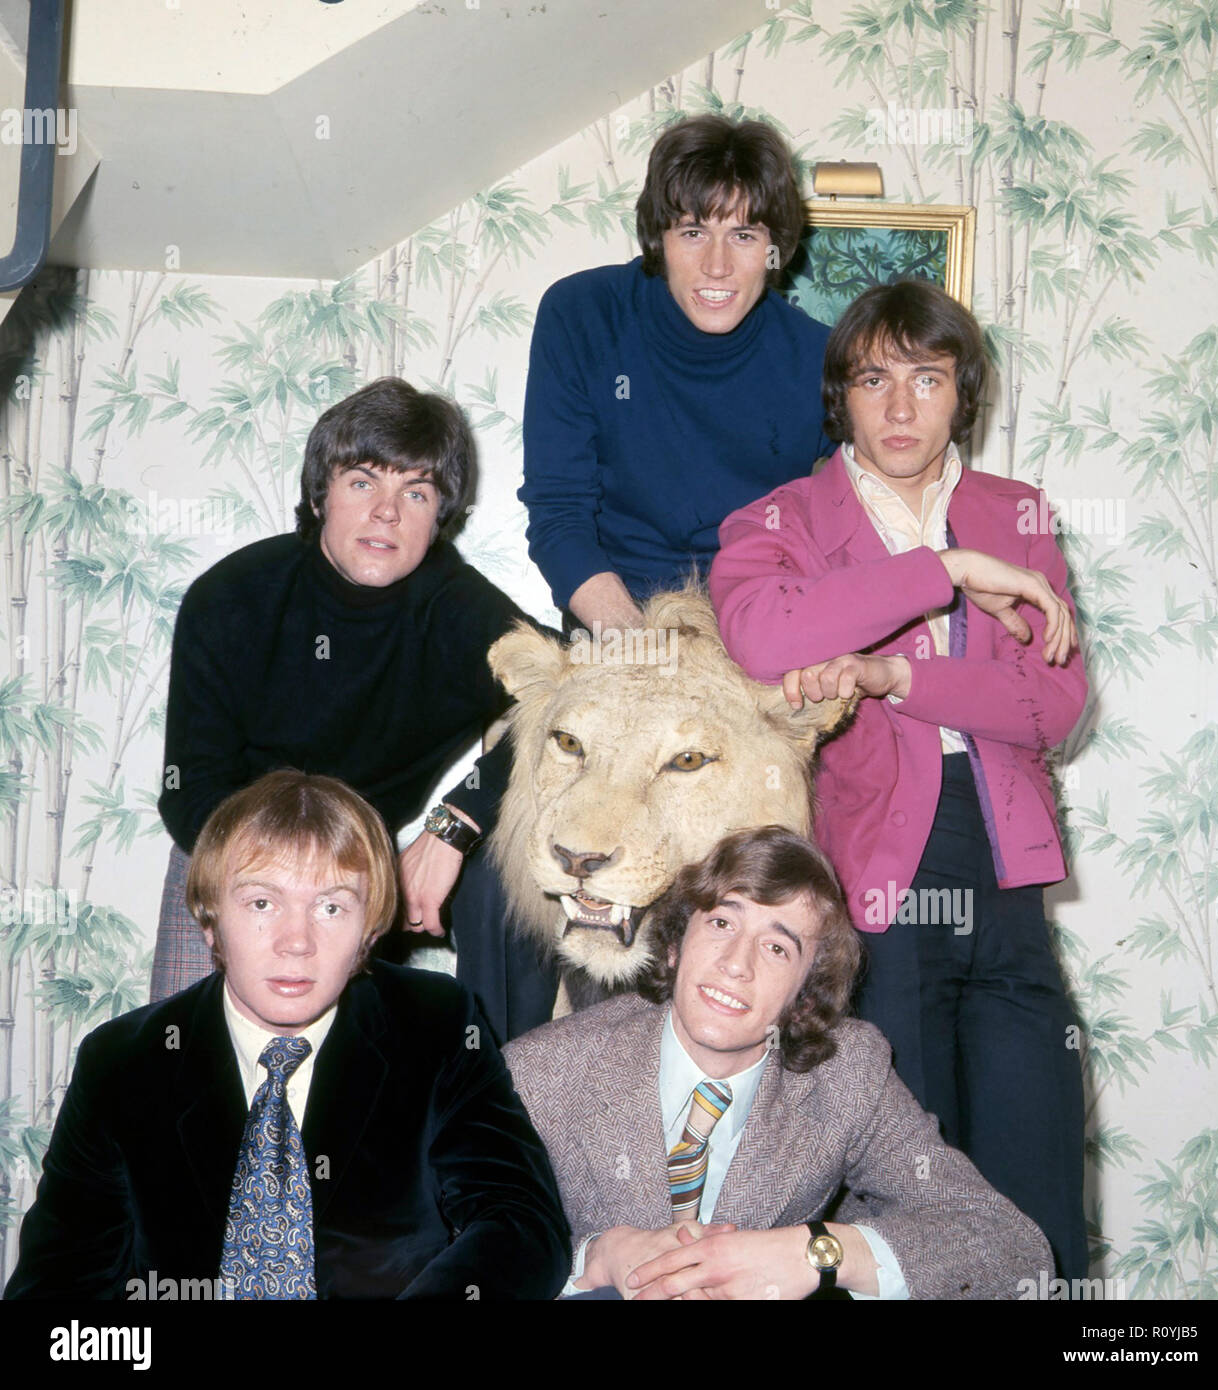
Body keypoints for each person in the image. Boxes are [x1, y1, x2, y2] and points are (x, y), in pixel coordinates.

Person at [708, 279, 1088, 1280]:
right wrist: (947, 570)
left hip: (1009, 873)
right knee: (909, 1193)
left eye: (929, 377)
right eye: (877, 379)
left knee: (1037, 1185)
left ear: (964, 391)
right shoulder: (782, 519)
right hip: (871, 881)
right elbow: (763, 638)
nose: (904, 405)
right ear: (844, 394)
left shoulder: (1021, 512)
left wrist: (897, 675)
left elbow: (1051, 706)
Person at [6, 771, 570, 1300]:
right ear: (209, 918)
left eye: (330, 906)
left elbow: (521, 1224)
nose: (295, 941)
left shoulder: (436, 1024)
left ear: (371, 928)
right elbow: (57, 1290)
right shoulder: (125, 1062)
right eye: (261, 902)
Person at [151, 376, 555, 1033]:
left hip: (358, 861)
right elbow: (187, 789)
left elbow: (570, 698)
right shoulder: (231, 598)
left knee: (347, 1093)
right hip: (229, 847)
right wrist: (277, 882)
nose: (387, 513)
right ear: (320, 495)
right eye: (364, 482)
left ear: (439, 518)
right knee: (178, 1086)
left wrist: (457, 821)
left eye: (415, 492)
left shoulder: (454, 607)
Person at [504, 826, 1052, 1300]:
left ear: (806, 996)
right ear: (673, 946)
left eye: (777, 948)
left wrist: (813, 1252)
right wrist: (593, 1258)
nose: (736, 965)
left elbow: (1010, 1248)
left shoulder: (848, 1073)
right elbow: (454, 1247)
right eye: (722, 923)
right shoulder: (543, 1072)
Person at [520, 112, 831, 632]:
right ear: (659, 238)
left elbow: (876, 506)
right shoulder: (582, 315)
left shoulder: (817, 356)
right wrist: (639, 652)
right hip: (613, 620)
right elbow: (558, 510)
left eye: (744, 236)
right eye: (693, 232)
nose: (717, 264)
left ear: (774, 248)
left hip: (759, 628)